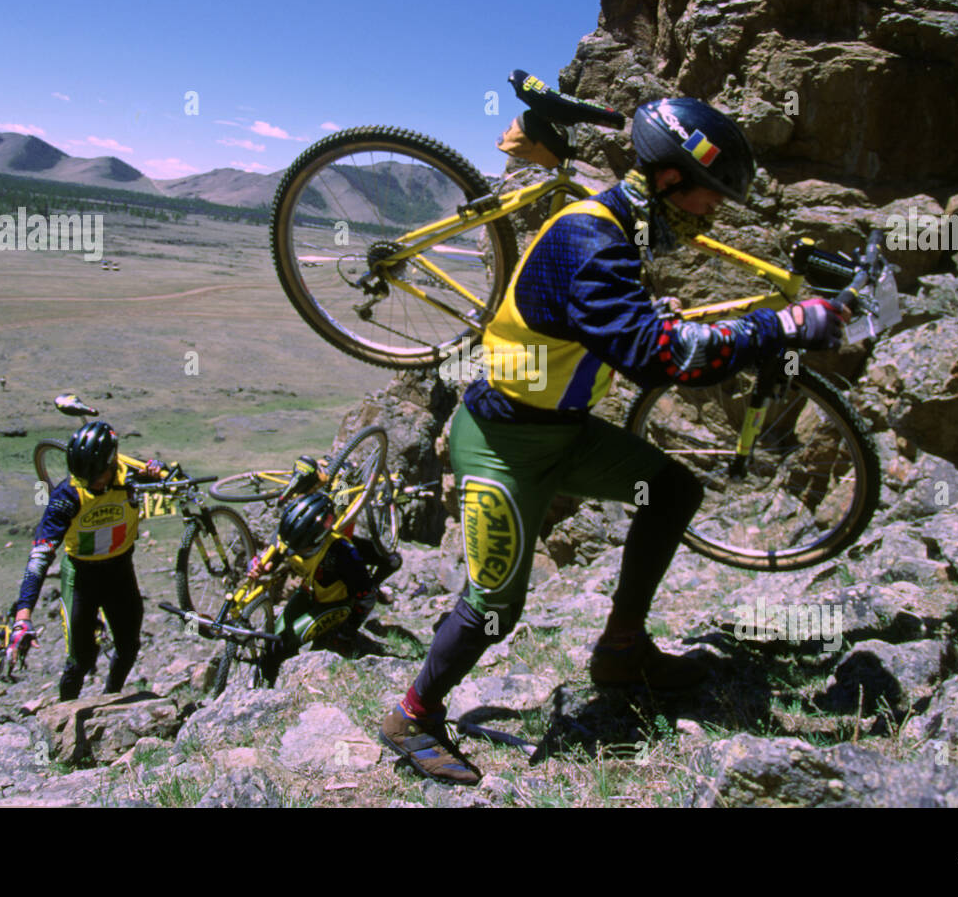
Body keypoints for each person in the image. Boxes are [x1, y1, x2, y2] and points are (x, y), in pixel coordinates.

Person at [378, 96, 848, 785]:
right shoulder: (593, 238)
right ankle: (412, 714)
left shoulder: (620, 230)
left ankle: (622, 649)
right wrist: (781, 327)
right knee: (494, 607)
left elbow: (614, 323)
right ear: (665, 182)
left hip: (559, 432)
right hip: (501, 443)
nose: (711, 212)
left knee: (673, 487)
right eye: (708, 194)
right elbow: (659, 359)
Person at [7, 421, 163, 700]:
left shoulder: (131, 479)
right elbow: (39, 557)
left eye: (97, 477)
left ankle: (110, 696)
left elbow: (177, 479)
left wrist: (157, 470)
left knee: (129, 647)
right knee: (81, 659)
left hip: (120, 572)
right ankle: (66, 712)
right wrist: (23, 616)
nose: (91, 484)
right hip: (81, 577)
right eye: (83, 477)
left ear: (112, 463)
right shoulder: (68, 495)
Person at [246, 490, 400, 676]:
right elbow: (271, 556)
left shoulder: (341, 553)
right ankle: (269, 674)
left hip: (335, 604)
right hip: (308, 593)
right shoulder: (290, 537)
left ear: (316, 539)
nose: (292, 551)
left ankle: (275, 679)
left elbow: (366, 595)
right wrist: (259, 566)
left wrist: (346, 632)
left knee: (284, 641)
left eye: (299, 548)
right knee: (272, 641)